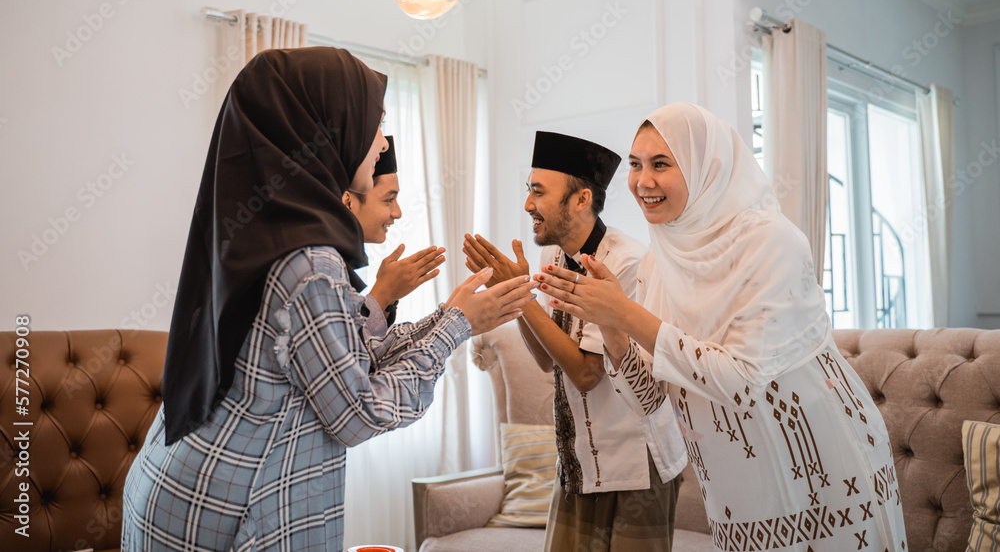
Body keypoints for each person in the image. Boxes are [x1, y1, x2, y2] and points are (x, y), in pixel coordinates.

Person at [122, 47, 536, 552]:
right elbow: (358, 412)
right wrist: (455, 325)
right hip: (227, 509)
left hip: (182, 486)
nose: (380, 142)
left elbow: (339, 359)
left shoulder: (267, 230)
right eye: (376, 125)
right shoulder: (310, 261)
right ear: (328, 129)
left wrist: (452, 315)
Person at [535, 103, 908, 552]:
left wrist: (627, 314)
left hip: (820, 461)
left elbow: (742, 380)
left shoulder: (770, 241)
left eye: (661, 164)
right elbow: (650, 401)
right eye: (635, 165)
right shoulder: (658, 262)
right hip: (737, 482)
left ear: (705, 166)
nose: (643, 181)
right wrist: (611, 325)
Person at [463, 131, 687, 552]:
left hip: (636, 464)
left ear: (581, 199)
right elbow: (550, 361)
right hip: (578, 461)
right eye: (528, 190)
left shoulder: (626, 262)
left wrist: (522, 294)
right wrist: (516, 296)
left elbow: (586, 374)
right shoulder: (552, 257)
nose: (528, 204)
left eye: (538, 191)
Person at [342, 135, 445, 338]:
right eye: (389, 199)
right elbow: (346, 349)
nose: (398, 213)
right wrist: (383, 293)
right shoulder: (321, 264)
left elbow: (369, 350)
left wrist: (388, 297)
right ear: (348, 201)